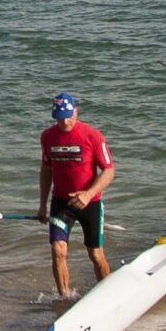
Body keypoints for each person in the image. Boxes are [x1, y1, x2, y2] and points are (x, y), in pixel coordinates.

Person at [37, 92, 116, 300]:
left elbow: (109, 171)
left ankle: (109, 296)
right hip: (61, 203)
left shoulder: (92, 136)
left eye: (68, 116)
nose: (64, 121)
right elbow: (46, 170)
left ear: (76, 112)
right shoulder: (47, 137)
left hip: (90, 203)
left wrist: (88, 194)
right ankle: (64, 299)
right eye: (60, 117)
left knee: (95, 254)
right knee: (58, 250)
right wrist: (42, 205)